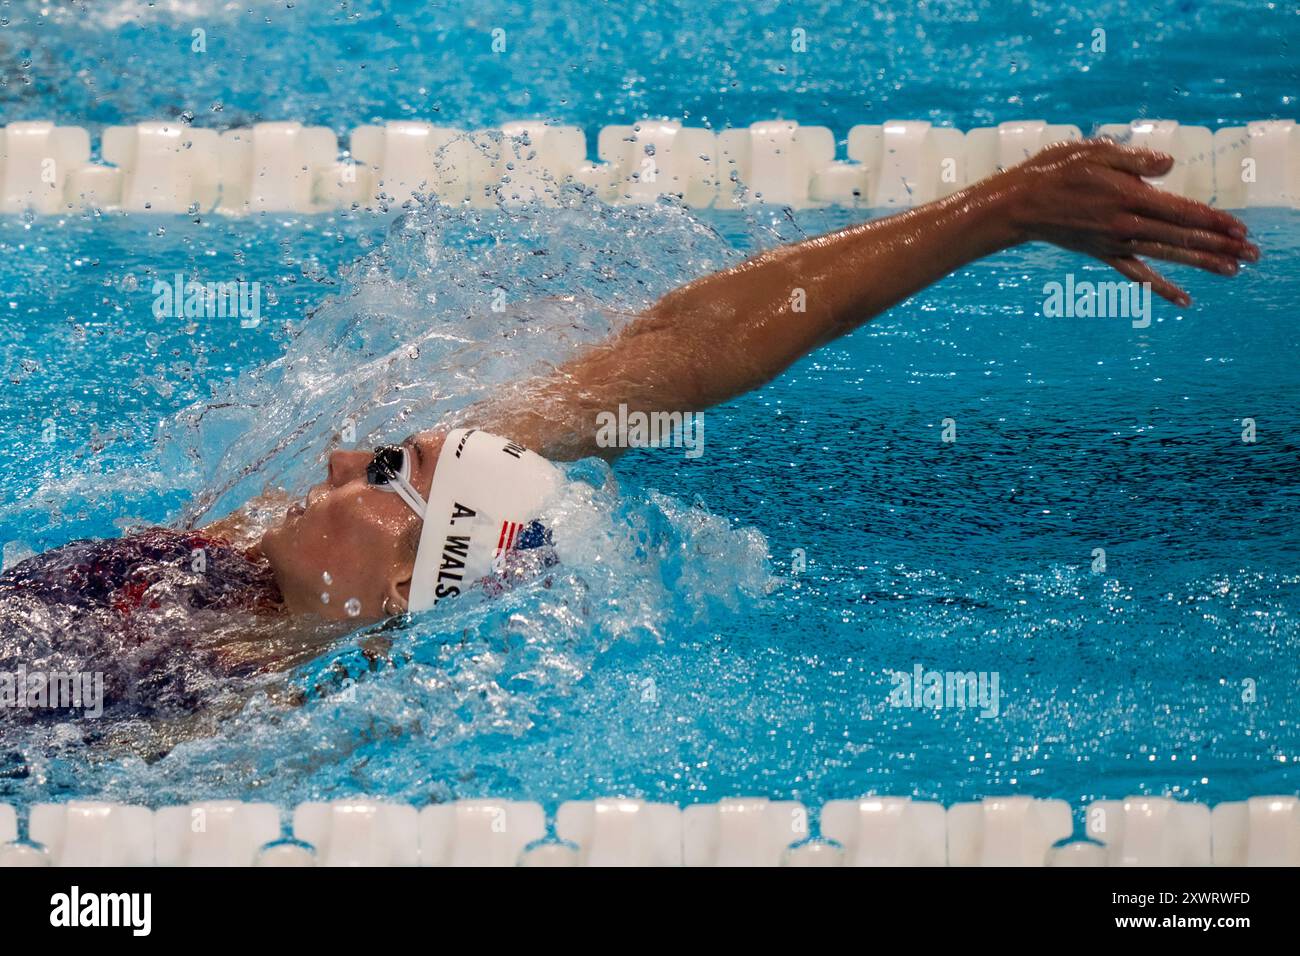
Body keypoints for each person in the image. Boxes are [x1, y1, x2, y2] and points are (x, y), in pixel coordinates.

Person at [3, 140, 1260, 627]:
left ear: (404, 583)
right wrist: (992, 212)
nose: (341, 455)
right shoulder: (248, 571)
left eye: (390, 476)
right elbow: (682, 347)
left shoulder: (209, 739)